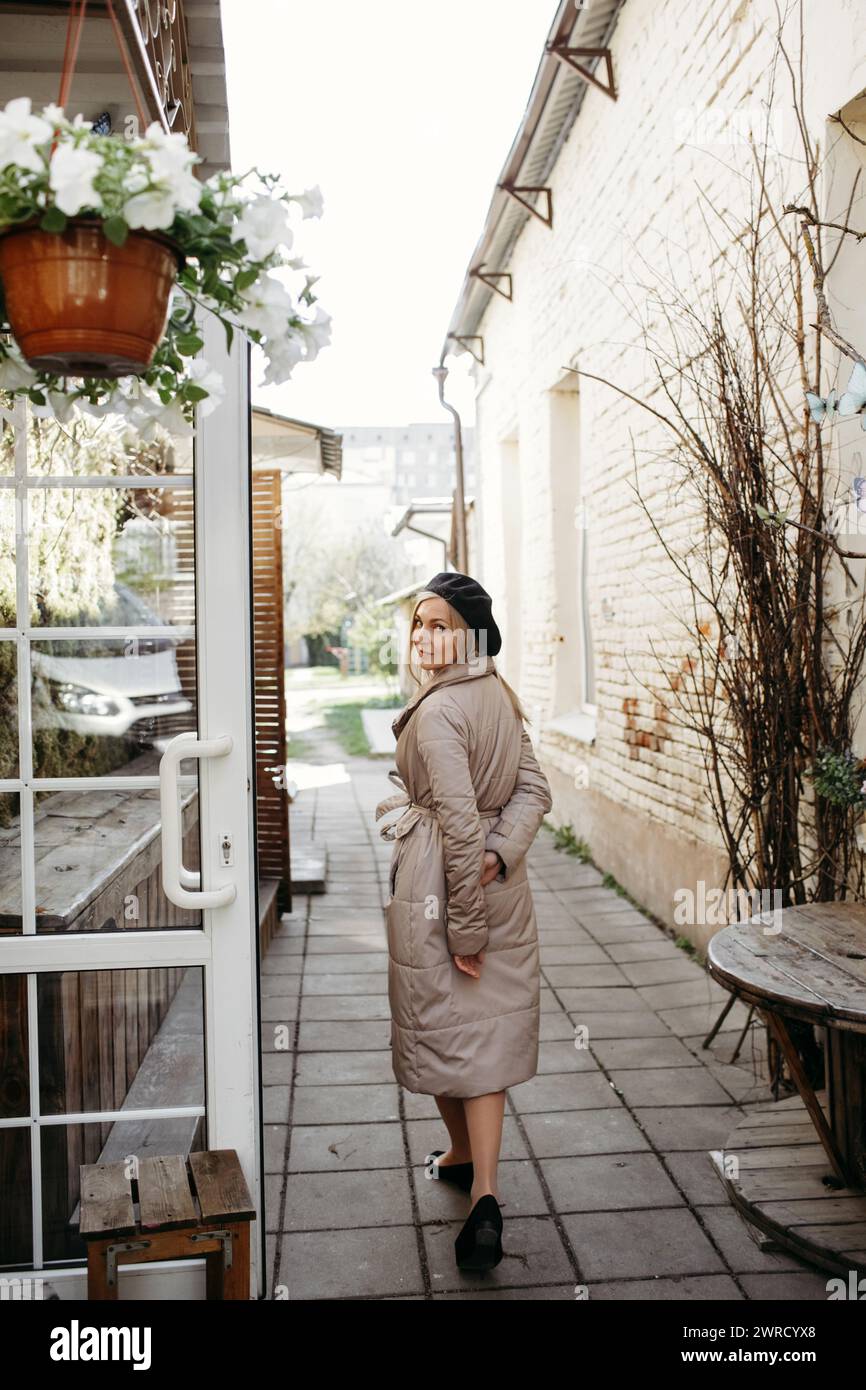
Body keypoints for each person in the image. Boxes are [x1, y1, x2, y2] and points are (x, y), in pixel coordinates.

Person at [375, 571, 553, 1273]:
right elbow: (533, 792)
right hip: (495, 883)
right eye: (418, 624)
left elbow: (455, 820)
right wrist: (501, 854)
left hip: (446, 889)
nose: (424, 637)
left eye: (440, 626)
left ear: (470, 636)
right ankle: (468, 1167)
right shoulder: (497, 694)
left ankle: (482, 1191)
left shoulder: (442, 711)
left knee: (446, 1030)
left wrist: (468, 928)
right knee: (478, 1035)